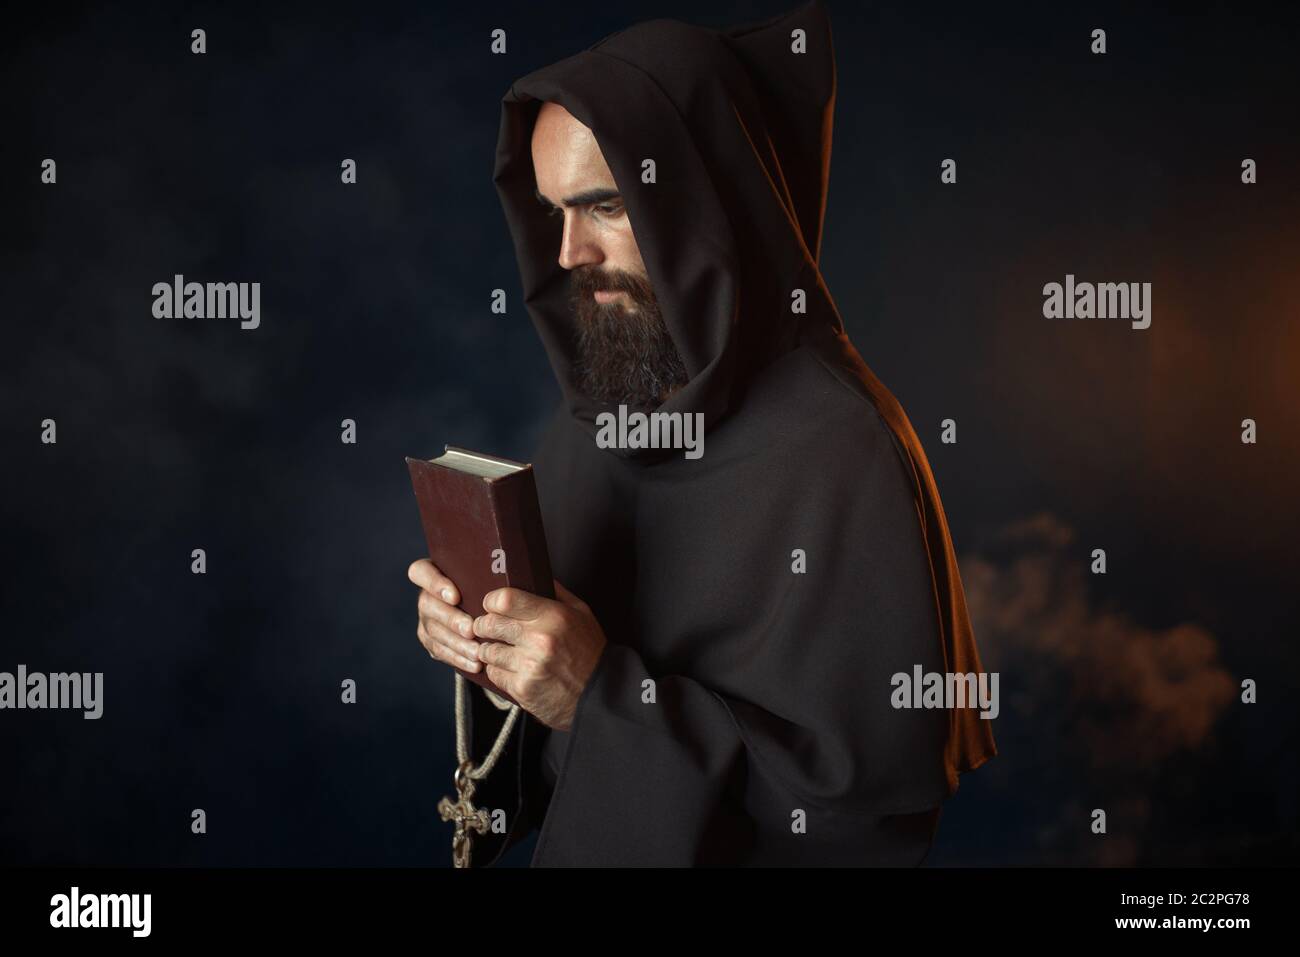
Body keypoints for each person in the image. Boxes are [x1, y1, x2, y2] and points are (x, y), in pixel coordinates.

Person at [408, 0, 996, 866]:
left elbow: (858, 827)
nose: (568, 252)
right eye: (553, 211)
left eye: (604, 205)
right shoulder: (600, 416)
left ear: (701, 200)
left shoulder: (846, 449)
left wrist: (598, 699)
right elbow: (546, 744)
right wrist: (487, 647)